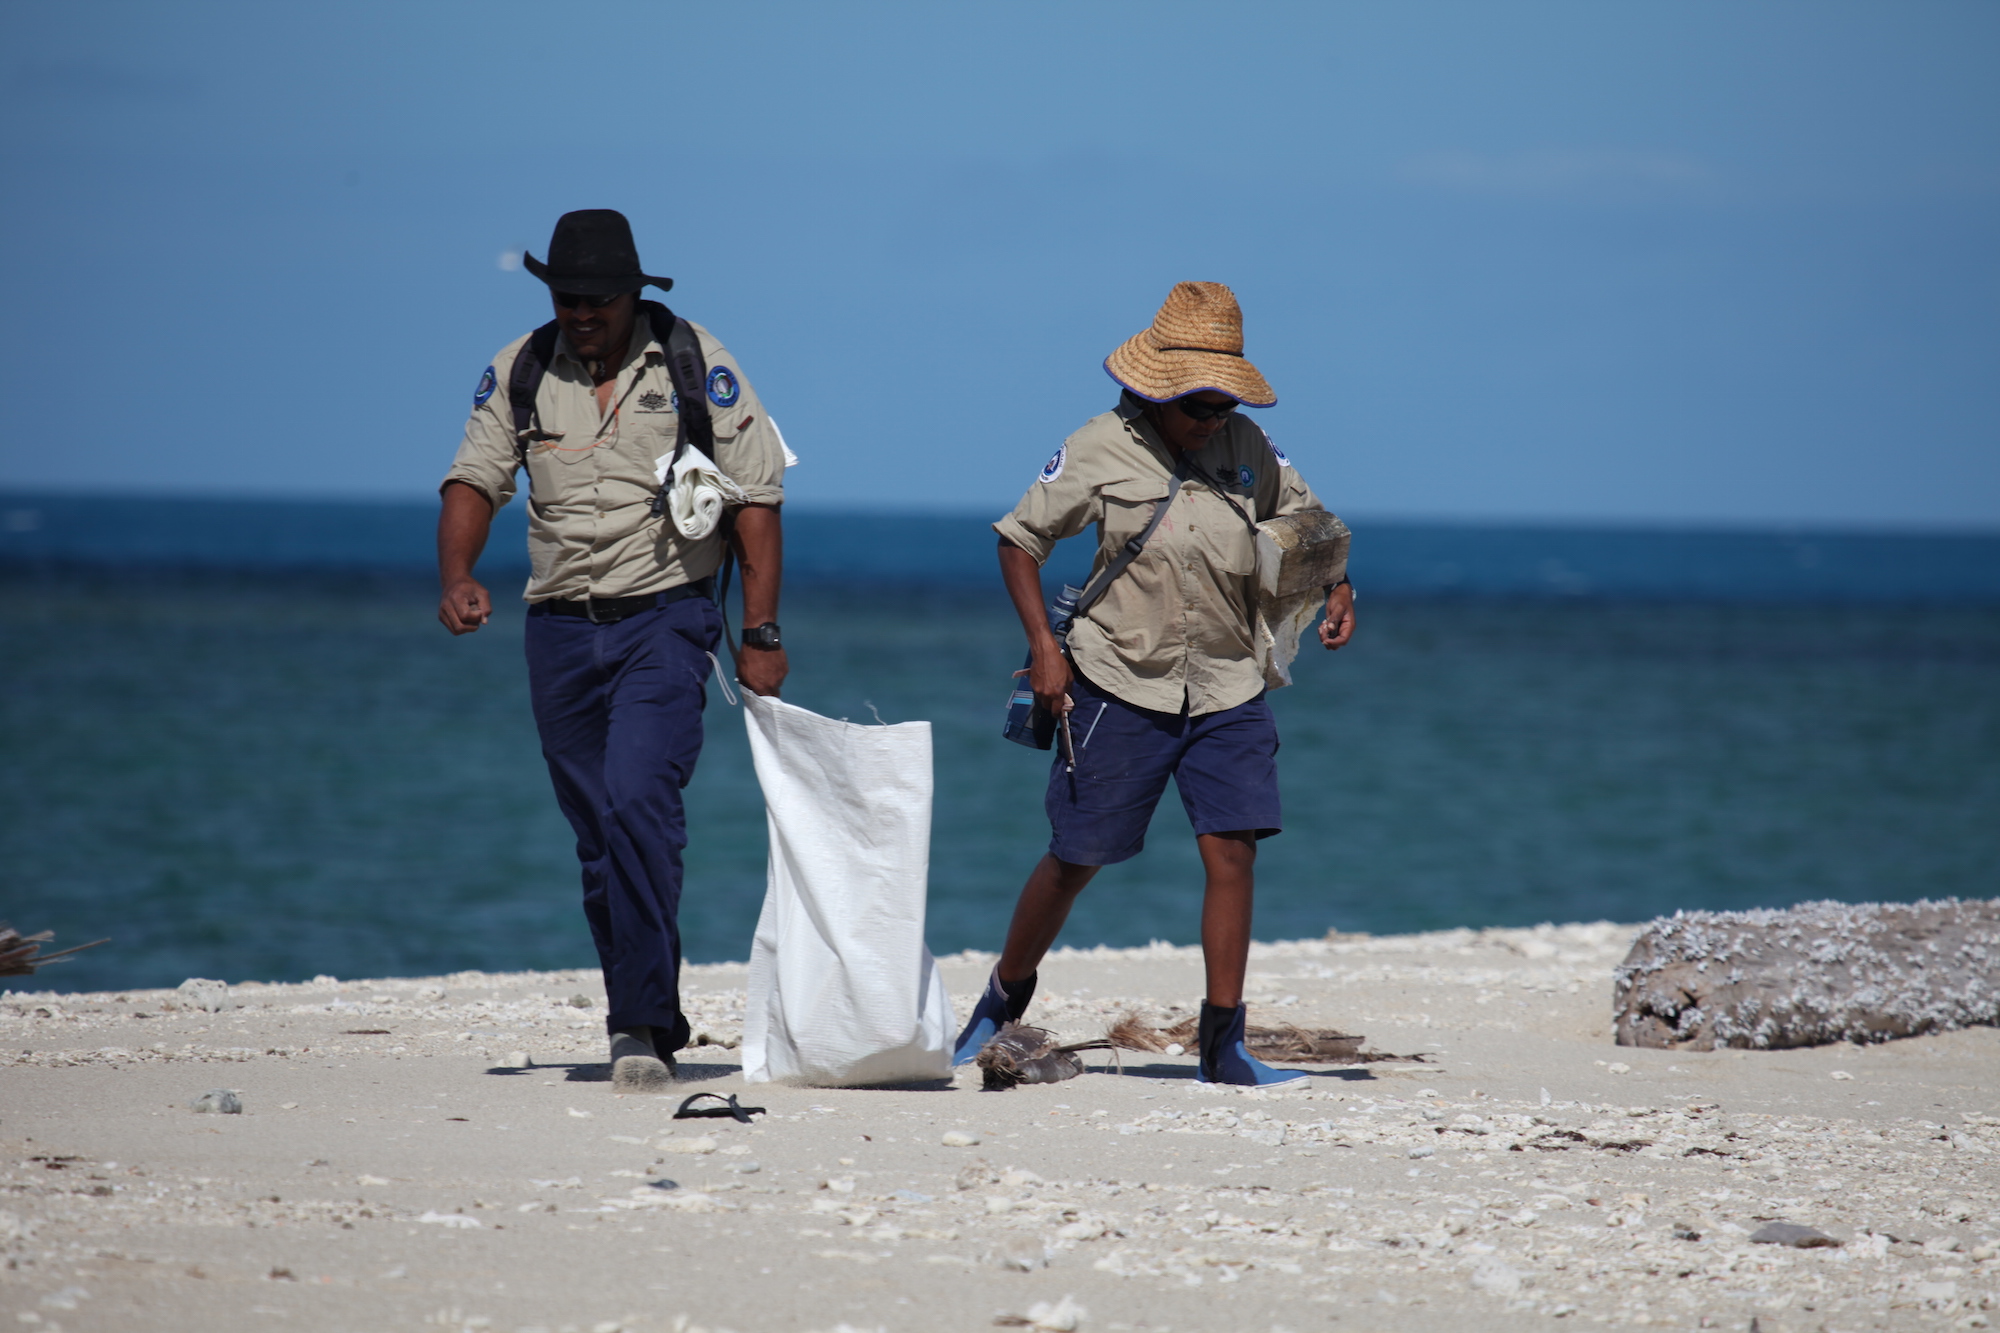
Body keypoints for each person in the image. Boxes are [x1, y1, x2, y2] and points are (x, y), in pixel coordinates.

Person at [954, 281, 1356, 1086]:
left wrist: (1339, 586)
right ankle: (1003, 996)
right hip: (1116, 678)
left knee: (1233, 850)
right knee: (1077, 855)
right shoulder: (1098, 447)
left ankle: (1224, 1043)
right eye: (1199, 403)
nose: (1213, 417)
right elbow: (1017, 540)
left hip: (1229, 680)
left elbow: (1310, 525)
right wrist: (1043, 646)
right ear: (1155, 387)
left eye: (1222, 402)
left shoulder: (1250, 447)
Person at [436, 209, 790, 1090]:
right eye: (566, 296)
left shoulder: (693, 360)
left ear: (635, 293)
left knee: (640, 800)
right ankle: (655, 1004)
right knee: (600, 835)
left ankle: (634, 1024)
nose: (581, 312)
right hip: (555, 629)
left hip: (665, 621)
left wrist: (760, 630)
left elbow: (756, 493)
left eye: (596, 298)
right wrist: (457, 574)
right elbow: (475, 477)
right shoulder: (519, 369)